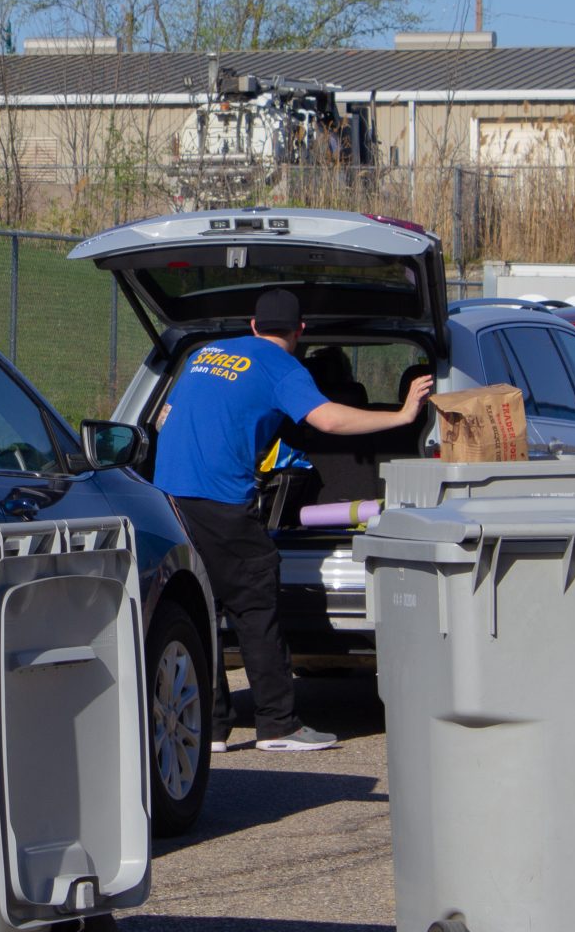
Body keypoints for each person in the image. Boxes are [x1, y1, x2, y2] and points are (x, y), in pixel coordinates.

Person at [152, 289, 433, 753]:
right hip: (221, 501)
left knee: (202, 607)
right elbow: (328, 421)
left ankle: (216, 727)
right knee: (255, 605)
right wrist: (402, 415)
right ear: (299, 331)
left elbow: (165, 418)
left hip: (169, 501)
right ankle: (279, 726)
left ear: (253, 323)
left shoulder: (205, 353)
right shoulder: (279, 365)